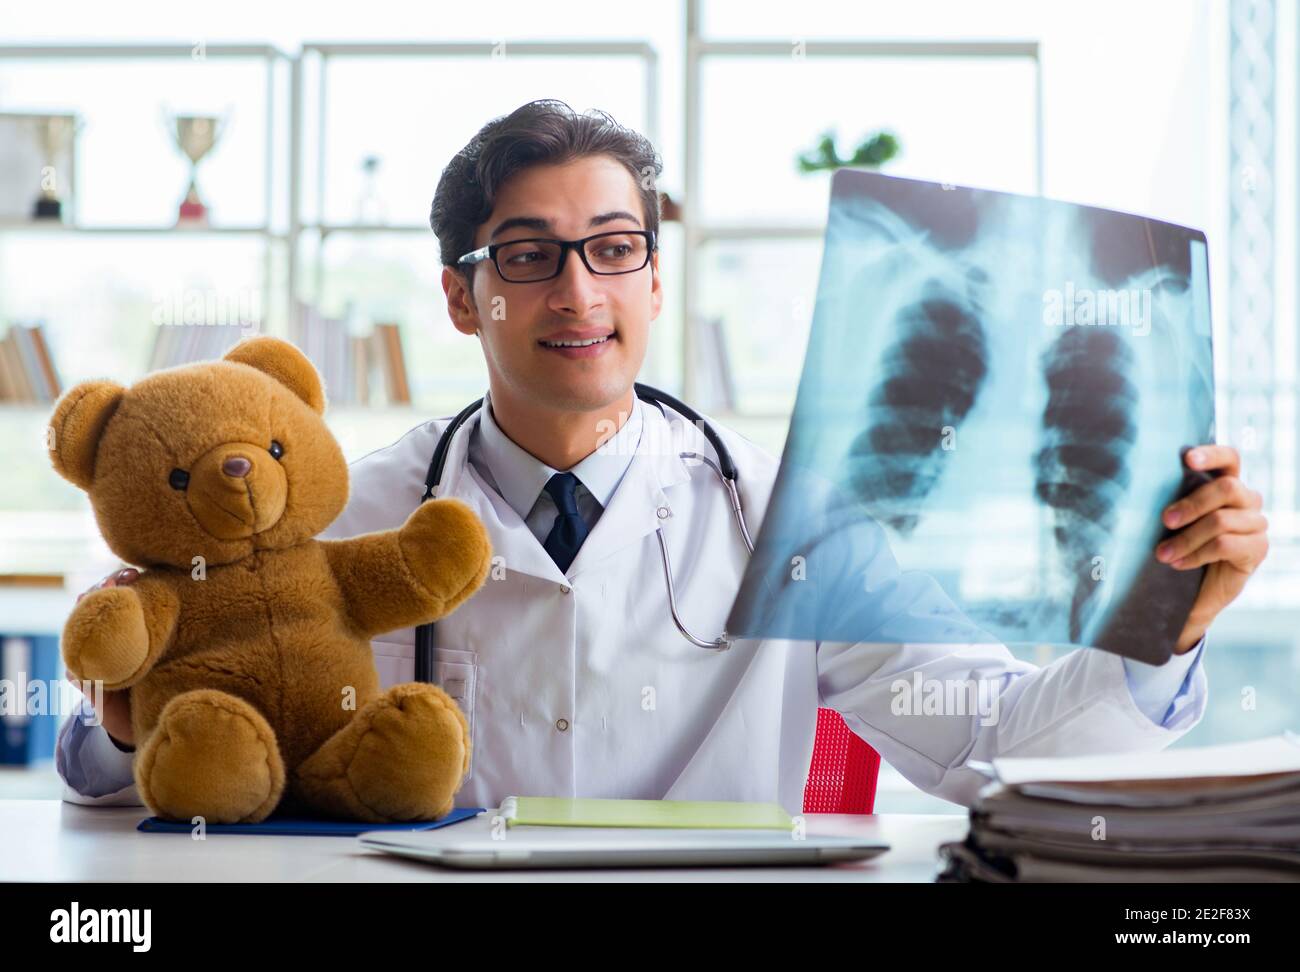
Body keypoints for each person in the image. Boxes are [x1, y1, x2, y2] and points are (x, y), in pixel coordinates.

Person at [57, 99, 1269, 813]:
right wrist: (121, 727)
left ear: (652, 273)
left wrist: (1168, 626)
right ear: (458, 297)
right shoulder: (347, 505)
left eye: (613, 246)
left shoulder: (788, 512)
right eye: (526, 255)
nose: (577, 291)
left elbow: (997, 743)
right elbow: (110, 766)